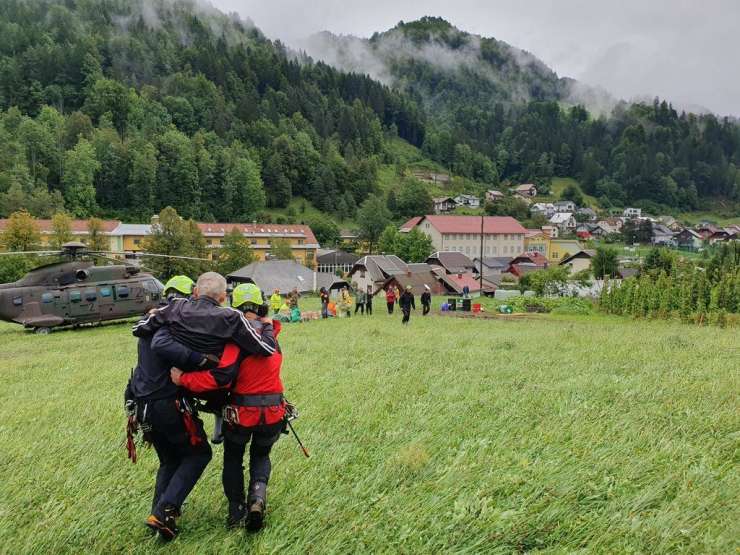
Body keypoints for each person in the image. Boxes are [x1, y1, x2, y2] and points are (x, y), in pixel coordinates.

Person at [171, 283, 285, 532]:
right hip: (275, 412)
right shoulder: (273, 337)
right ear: (261, 306)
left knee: (233, 459)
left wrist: (184, 380)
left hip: (242, 415)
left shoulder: (234, 343)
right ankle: (257, 499)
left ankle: (237, 511)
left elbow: (219, 378)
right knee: (261, 455)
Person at [125, 284, 222, 541]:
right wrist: (202, 360)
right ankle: (166, 511)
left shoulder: (149, 322)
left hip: (143, 405)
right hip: (167, 405)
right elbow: (169, 351)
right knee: (199, 454)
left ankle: (159, 513)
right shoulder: (173, 326)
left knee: (170, 460)